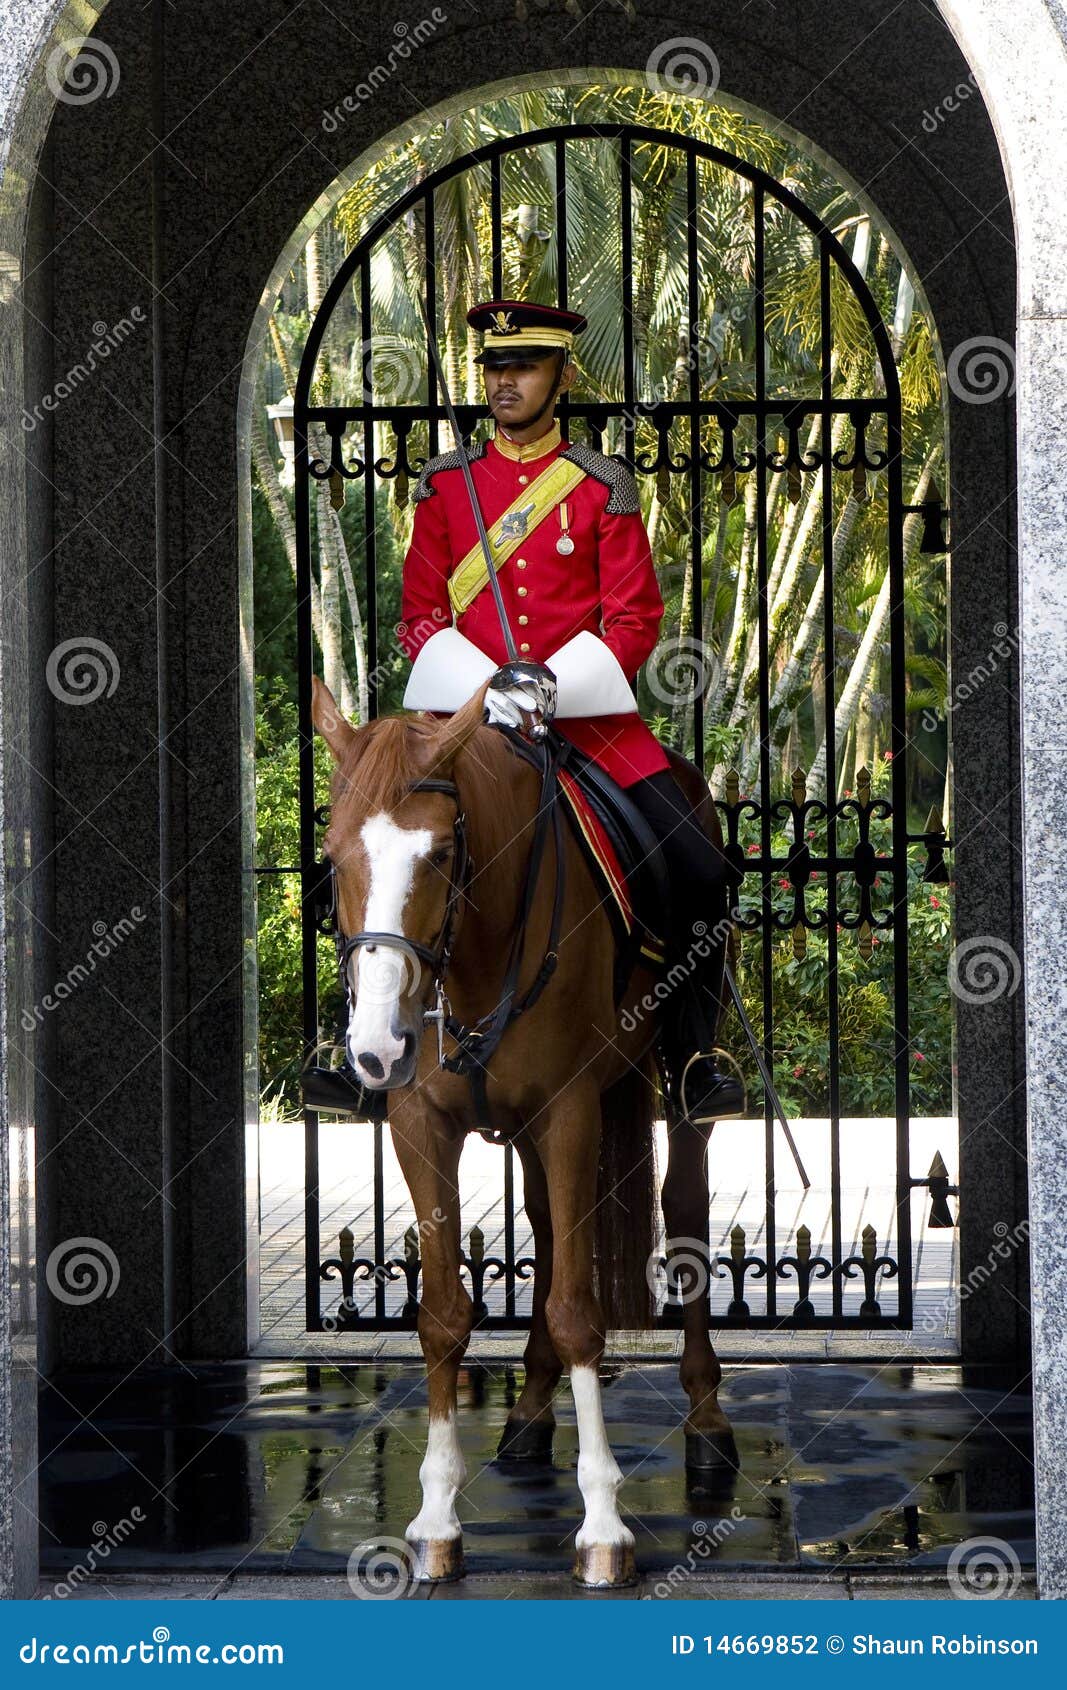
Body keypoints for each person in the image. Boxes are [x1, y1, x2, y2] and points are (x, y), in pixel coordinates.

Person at [306, 298, 744, 1123]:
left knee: (696, 862)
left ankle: (692, 1058)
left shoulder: (600, 487)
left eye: (525, 368)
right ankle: (354, 1045)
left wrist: (549, 686)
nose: (506, 383)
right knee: (363, 855)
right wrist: (486, 692)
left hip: (586, 723)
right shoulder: (446, 485)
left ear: (561, 377)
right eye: (495, 369)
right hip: (459, 730)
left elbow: (633, 619)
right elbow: (420, 615)